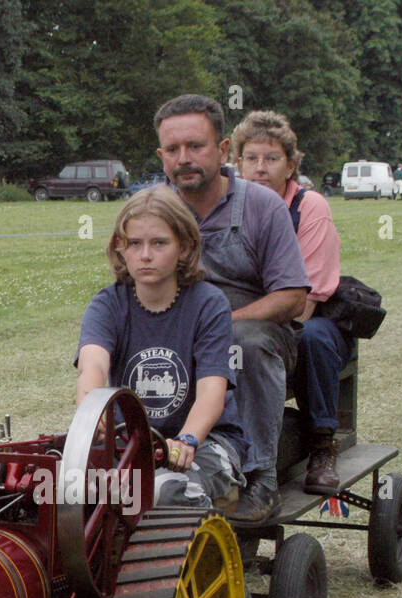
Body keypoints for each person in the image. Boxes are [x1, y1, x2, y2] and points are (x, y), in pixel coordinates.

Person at [152, 93, 310, 521]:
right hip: (172, 326)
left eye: (196, 146)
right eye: (173, 149)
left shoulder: (263, 206)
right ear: (161, 155)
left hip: (255, 330)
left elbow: (293, 296)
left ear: (223, 151)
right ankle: (140, 461)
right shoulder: (152, 210)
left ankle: (260, 478)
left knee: (244, 344)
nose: (184, 158)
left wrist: (219, 325)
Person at [76, 185, 247, 510]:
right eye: (134, 244)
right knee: (69, 488)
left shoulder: (209, 304)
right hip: (131, 442)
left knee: (163, 490)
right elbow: (92, 366)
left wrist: (186, 441)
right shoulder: (108, 304)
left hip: (209, 443)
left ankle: (196, 555)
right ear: (120, 249)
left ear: (184, 247)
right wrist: (92, 415)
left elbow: (213, 392)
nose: (145, 255)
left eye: (159, 243)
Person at [232, 109, 346, 490]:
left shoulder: (309, 208)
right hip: (250, 315)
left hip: (303, 317)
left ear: (291, 165)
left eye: (271, 158)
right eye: (251, 158)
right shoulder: (232, 206)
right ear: (238, 163)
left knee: (313, 338)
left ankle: (321, 444)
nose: (260, 168)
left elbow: (304, 301)